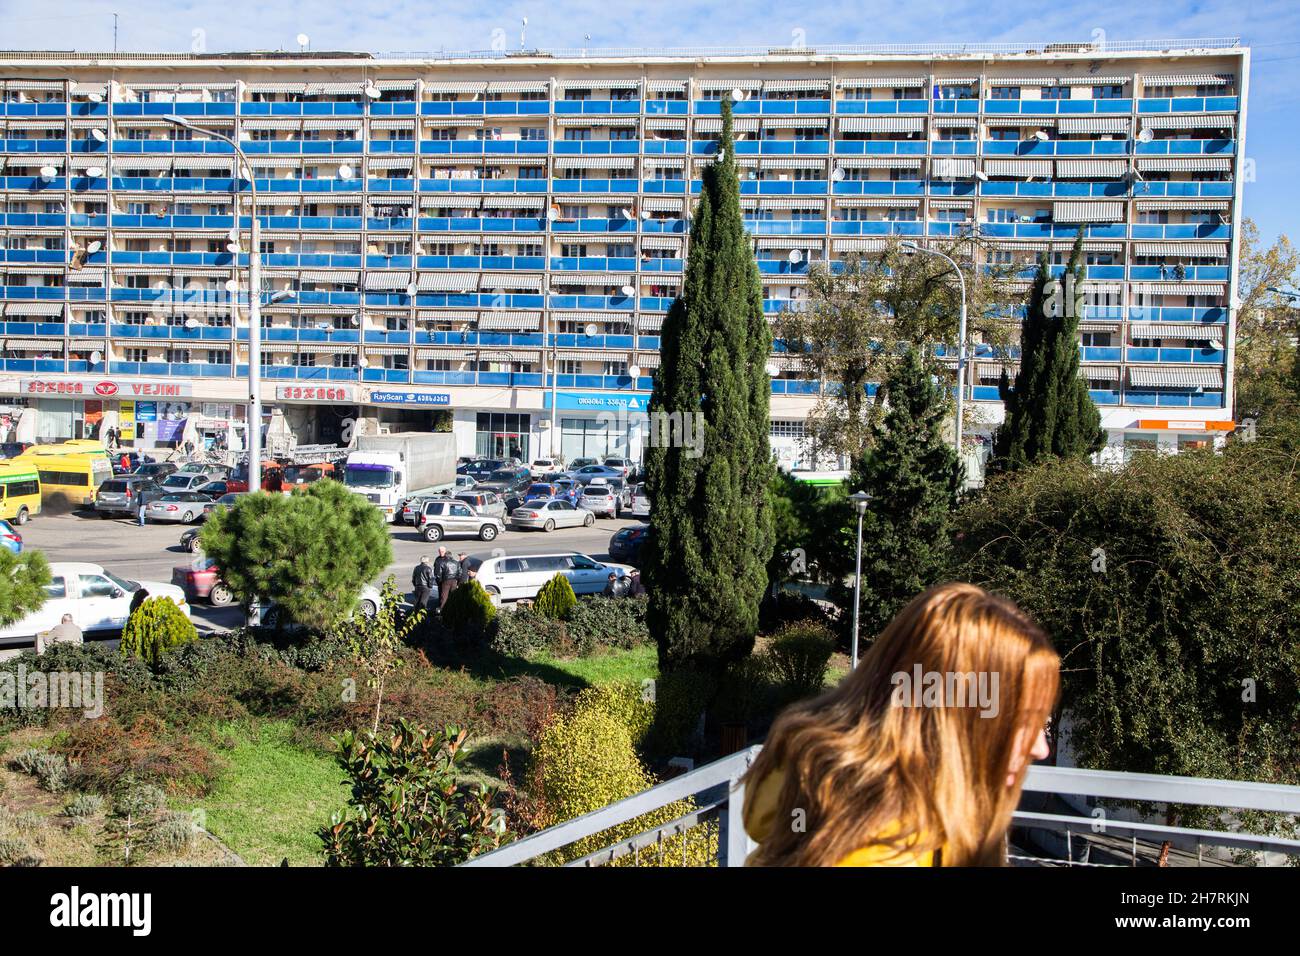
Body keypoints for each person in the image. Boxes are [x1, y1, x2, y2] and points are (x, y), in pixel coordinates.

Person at [741, 582, 1060, 867]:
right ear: (954, 718)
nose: (1040, 748)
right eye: (1024, 720)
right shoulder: (874, 852)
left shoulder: (928, 817)